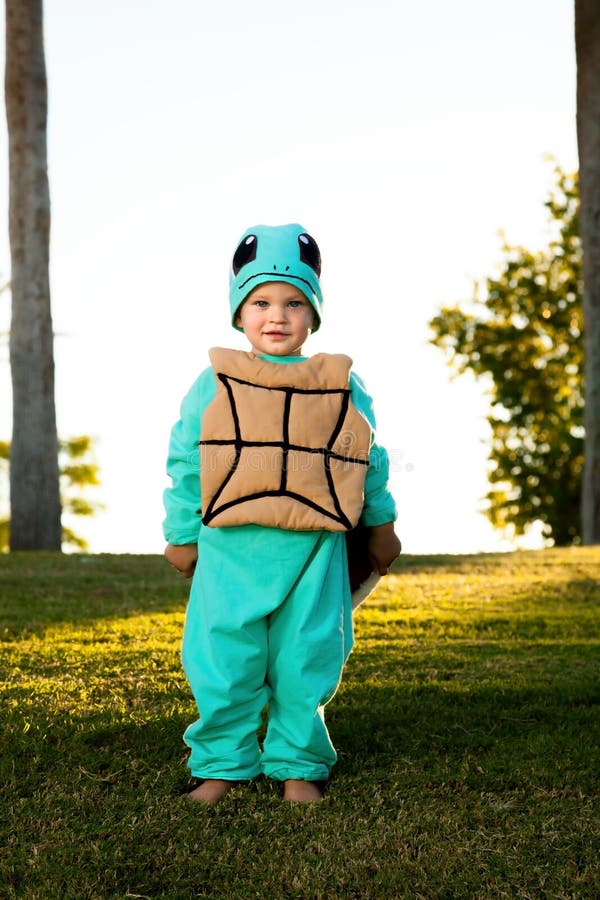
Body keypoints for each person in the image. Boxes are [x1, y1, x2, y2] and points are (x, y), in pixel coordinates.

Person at [163, 223, 401, 804]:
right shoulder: (213, 383)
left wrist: (382, 525)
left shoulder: (342, 384)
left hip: (312, 554)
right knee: (223, 661)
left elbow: (367, 455)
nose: (277, 315)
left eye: (295, 302)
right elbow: (186, 460)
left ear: (314, 315)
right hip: (228, 551)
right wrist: (179, 534)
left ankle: (299, 762)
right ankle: (220, 764)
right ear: (238, 313)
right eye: (260, 301)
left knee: (306, 659)